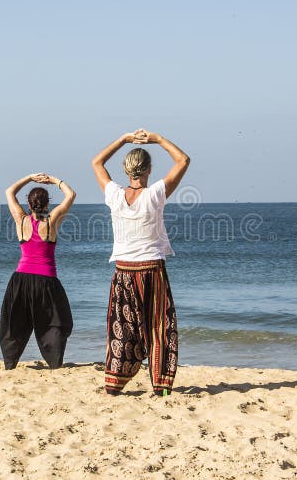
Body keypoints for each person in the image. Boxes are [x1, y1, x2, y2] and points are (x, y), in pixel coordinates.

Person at [92, 129, 190, 395]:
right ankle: (161, 385)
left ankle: (114, 384)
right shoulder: (155, 193)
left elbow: (97, 162)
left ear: (126, 171)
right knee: (159, 326)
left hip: (123, 270)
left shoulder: (113, 194)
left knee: (122, 328)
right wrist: (158, 139)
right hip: (151, 269)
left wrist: (123, 139)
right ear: (148, 170)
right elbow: (183, 160)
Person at [0, 173, 75, 370]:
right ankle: (54, 361)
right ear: (47, 203)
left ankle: (10, 362)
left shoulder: (21, 220)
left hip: (21, 279)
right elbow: (71, 195)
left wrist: (29, 178)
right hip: (47, 280)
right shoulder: (52, 220)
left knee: (15, 322)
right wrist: (54, 180)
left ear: (29, 203)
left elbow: (9, 191)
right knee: (55, 321)